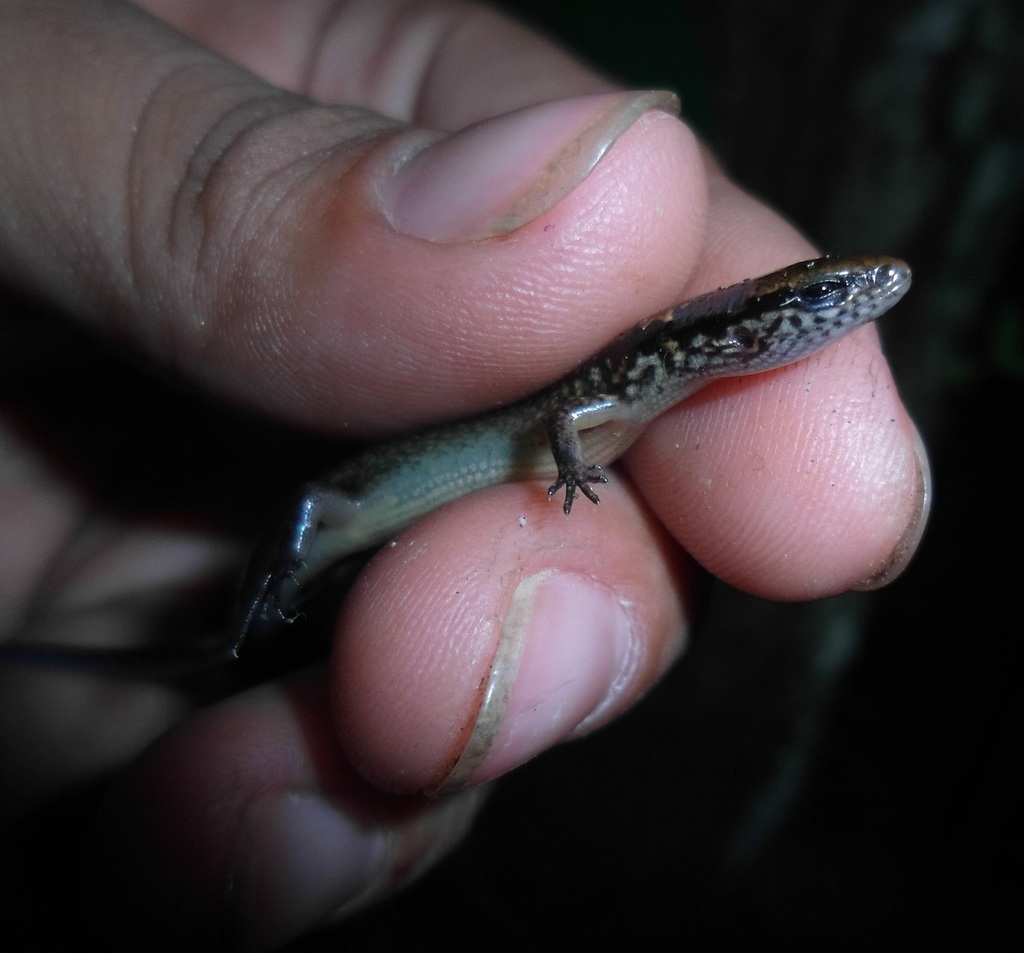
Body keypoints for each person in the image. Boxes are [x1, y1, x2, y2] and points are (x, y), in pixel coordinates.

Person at [0, 1, 929, 948]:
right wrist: (569, 474)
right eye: (820, 292)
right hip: (351, 494)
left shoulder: (679, 368)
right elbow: (572, 417)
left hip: (370, 510)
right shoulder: (645, 369)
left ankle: (230, 649)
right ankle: (236, 635)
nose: (849, 298)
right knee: (311, 533)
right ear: (750, 322)